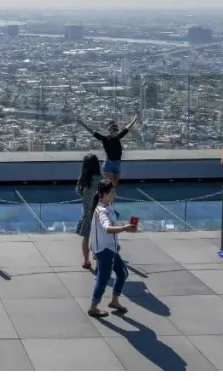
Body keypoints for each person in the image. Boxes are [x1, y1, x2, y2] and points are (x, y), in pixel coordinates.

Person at [87, 179, 136, 318]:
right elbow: (108, 228)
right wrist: (125, 228)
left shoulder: (108, 207)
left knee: (122, 273)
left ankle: (114, 300)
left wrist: (121, 235)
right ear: (103, 194)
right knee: (103, 278)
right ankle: (93, 307)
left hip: (111, 248)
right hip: (104, 250)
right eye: (112, 192)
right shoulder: (101, 211)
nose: (115, 194)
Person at [76, 115, 138, 186]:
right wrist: (83, 124)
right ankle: (103, 195)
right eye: (114, 129)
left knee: (115, 184)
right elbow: (93, 132)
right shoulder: (105, 139)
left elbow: (127, 128)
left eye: (117, 130)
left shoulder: (118, 137)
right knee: (109, 185)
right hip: (109, 164)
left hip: (117, 164)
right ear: (109, 130)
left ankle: (110, 196)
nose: (116, 131)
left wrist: (134, 120)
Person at [75, 154, 102, 270]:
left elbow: (78, 192)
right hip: (100, 213)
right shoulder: (100, 179)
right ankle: (100, 259)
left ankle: (86, 261)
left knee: (86, 238)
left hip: (86, 213)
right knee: (100, 237)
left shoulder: (83, 179)